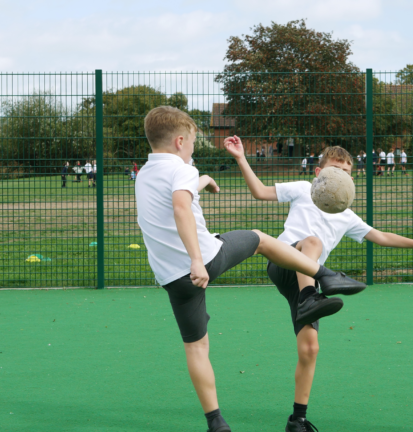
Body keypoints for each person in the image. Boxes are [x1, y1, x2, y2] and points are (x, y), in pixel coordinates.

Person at [135, 107, 364, 432]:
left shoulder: (144, 173)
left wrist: (204, 180)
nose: (192, 152)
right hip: (204, 260)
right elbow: (179, 205)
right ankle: (322, 277)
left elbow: (169, 196)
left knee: (197, 347)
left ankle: (216, 422)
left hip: (172, 279)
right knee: (258, 239)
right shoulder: (181, 167)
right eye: (192, 145)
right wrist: (198, 260)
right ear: (179, 141)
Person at [223, 140, 413, 432]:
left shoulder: (345, 214)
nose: (341, 175)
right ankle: (310, 296)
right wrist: (241, 158)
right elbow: (259, 191)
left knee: (310, 348)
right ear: (318, 172)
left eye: (346, 171)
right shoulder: (304, 189)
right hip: (282, 261)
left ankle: (298, 420)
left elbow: (380, 236)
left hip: (307, 278)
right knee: (313, 242)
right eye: (334, 169)